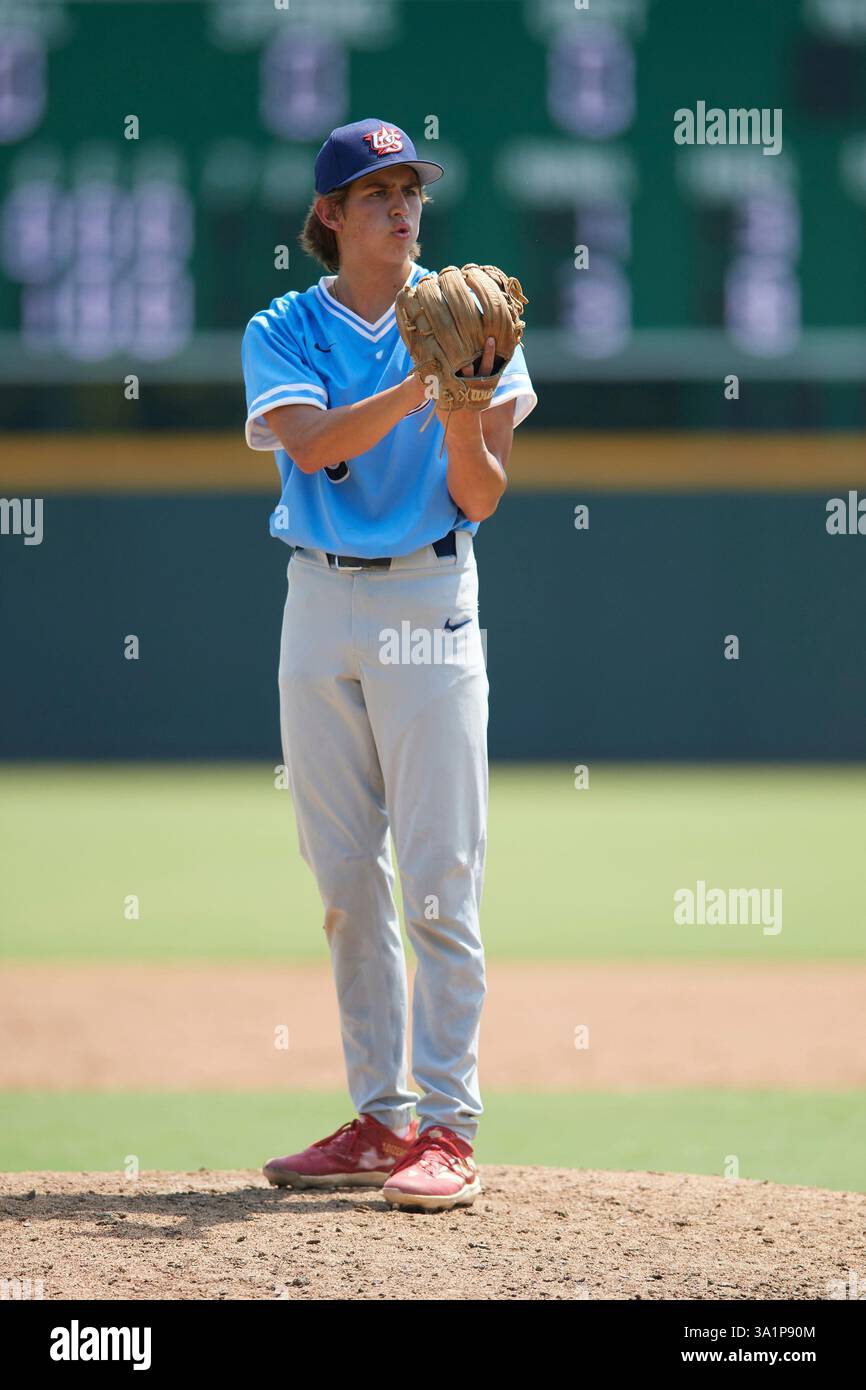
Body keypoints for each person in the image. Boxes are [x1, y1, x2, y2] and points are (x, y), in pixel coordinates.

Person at [241, 118, 537, 1212]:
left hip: (428, 590)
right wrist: (427, 380)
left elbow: (478, 495)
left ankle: (447, 1123)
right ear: (328, 216)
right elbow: (314, 446)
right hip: (317, 598)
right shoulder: (283, 325)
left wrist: (464, 392)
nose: (402, 207)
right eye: (375, 193)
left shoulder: (473, 312)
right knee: (342, 880)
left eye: (410, 188)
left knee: (439, 877)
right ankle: (379, 1115)